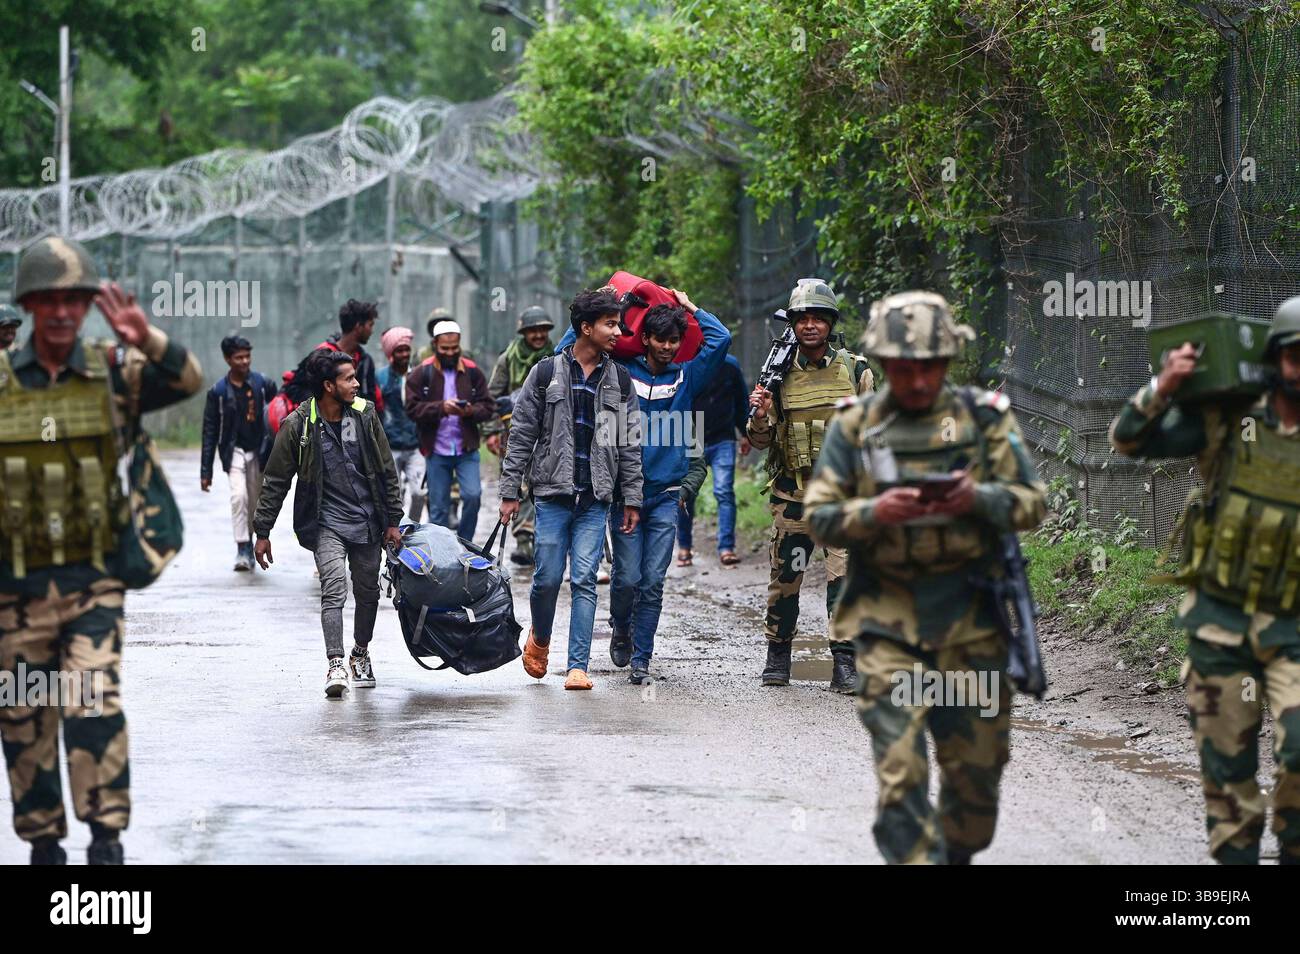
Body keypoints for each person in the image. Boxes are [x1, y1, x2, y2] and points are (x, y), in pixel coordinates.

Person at [804, 290, 1046, 865]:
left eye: (930, 365)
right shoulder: (856, 426)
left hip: (974, 629)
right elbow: (818, 515)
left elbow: (1032, 504)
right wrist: (874, 513)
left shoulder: (985, 418)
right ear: (883, 363)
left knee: (975, 789)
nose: (917, 379)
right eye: (904, 366)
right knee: (902, 779)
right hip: (888, 630)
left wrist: (977, 498)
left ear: (949, 361)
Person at [0, 236, 202, 865]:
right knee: (25, 716)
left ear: (89, 307)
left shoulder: (114, 371)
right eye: (50, 301)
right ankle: (43, 842)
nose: (62, 313)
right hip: (15, 589)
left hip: (92, 581)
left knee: (91, 697)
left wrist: (146, 337)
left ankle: (106, 838)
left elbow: (189, 379)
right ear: (30, 305)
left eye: (75, 301)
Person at [1110, 296, 1300, 865]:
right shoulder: (1228, 415)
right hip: (1220, 621)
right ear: (1275, 360)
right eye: (1295, 356)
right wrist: (1163, 387)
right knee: (1227, 766)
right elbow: (1129, 439)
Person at [555, 285, 732, 684]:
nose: (668, 347)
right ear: (645, 339)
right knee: (626, 577)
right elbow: (567, 351)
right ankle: (621, 626)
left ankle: (642, 659)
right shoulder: (619, 371)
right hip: (624, 495)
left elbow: (721, 339)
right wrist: (612, 304)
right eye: (661, 339)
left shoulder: (687, 377)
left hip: (667, 496)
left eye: (675, 340)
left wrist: (690, 306)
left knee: (653, 581)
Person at [499, 289, 643, 689]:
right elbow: (522, 434)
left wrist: (631, 497)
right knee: (546, 577)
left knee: (583, 577)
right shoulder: (545, 373)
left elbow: (629, 443)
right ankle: (540, 639)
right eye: (610, 324)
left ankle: (578, 665)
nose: (618, 332)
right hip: (551, 495)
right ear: (586, 328)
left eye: (618, 323)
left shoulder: (620, 379)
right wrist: (510, 492)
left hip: (596, 498)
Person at [747, 279, 875, 692]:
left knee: (844, 579)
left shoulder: (856, 371)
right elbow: (760, 441)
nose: (810, 326)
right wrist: (762, 414)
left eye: (819, 318)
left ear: (831, 324)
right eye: (803, 319)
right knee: (786, 579)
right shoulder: (778, 375)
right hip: (792, 497)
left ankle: (844, 663)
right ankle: (778, 656)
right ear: (793, 324)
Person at [253, 350, 404, 698]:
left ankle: (360, 653)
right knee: (334, 588)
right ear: (327, 386)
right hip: (325, 523)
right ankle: (335, 663)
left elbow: (386, 471)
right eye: (348, 379)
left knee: (367, 592)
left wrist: (393, 520)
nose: (355, 384)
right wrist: (263, 531)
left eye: (355, 377)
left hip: (368, 521)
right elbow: (275, 480)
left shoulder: (364, 416)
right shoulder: (299, 425)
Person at [404, 319, 495, 542]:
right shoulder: (421, 373)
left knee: (473, 496)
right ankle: (441, 552)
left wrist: (469, 411)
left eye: (455, 348)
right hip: (436, 449)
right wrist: (441, 408)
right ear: (435, 344)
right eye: (445, 348)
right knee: (438, 509)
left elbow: (488, 406)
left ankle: (464, 545)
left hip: (467, 449)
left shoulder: (472, 372)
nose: (450, 352)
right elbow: (412, 409)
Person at [485, 305, 556, 565]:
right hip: (515, 432)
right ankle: (525, 541)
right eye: (533, 330)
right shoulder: (508, 359)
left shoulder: (558, 355)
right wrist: (492, 431)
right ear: (524, 332)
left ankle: (542, 541)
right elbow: (492, 396)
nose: (538, 335)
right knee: (519, 486)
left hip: (551, 433)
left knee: (544, 485)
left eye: (542, 330)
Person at [201, 334, 277, 571]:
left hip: (259, 450)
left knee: (255, 501)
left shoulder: (264, 385)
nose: (244, 361)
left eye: (247, 356)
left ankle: (255, 543)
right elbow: (210, 431)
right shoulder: (218, 392)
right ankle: (242, 547)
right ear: (227, 359)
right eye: (238, 357)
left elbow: (278, 418)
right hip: (233, 451)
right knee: (238, 497)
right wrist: (206, 471)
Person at [676, 352, 750, 567]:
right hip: (691, 438)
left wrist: (744, 433)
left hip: (723, 438)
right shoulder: (684, 364)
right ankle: (684, 547)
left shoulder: (730, 365)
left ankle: (726, 548)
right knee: (685, 494)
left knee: (724, 491)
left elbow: (741, 400)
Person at [376, 326, 426, 523]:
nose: (404, 354)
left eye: (406, 349)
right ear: (391, 353)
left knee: (420, 492)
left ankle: (411, 528)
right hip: (389, 447)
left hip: (415, 445)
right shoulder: (379, 378)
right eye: (399, 350)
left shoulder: (419, 376)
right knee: (394, 496)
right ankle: (395, 529)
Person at [317, 298, 382, 410]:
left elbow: (372, 400)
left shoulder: (366, 361)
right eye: (370, 325)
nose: (372, 331)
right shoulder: (323, 355)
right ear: (358, 327)